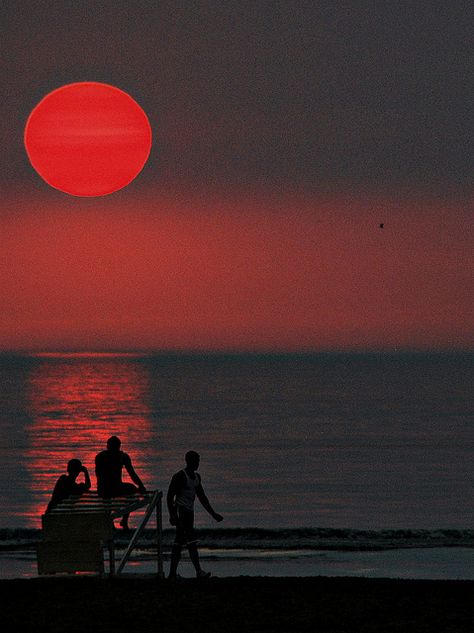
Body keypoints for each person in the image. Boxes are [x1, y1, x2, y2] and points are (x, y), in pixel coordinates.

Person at [167, 450, 223, 579]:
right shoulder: (180, 476)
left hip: (189, 513)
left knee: (181, 541)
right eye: (195, 461)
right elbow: (170, 496)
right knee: (188, 541)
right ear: (189, 461)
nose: (197, 464)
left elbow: (202, 497)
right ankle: (196, 571)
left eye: (198, 461)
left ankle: (173, 574)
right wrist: (173, 515)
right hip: (181, 512)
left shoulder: (197, 477)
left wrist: (213, 514)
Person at [95, 435, 147, 530]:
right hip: (114, 488)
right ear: (119, 446)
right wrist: (141, 486)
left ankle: (115, 522)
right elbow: (132, 474)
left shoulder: (100, 457)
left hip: (103, 489)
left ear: (108, 446)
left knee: (108, 499)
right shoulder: (122, 457)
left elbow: (98, 475)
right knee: (132, 489)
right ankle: (124, 519)